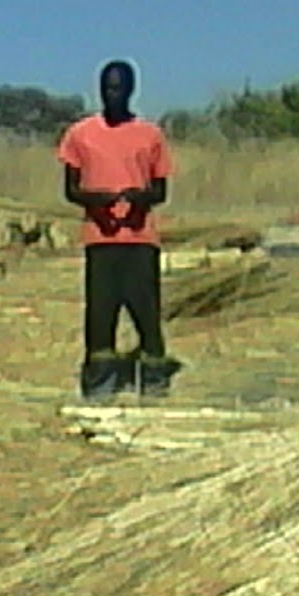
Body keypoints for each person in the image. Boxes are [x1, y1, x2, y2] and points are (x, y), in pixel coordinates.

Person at [56, 59, 182, 399]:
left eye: (118, 88)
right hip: (100, 238)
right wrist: (97, 201)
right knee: (101, 310)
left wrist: (139, 199)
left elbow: (160, 191)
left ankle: (154, 377)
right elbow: (70, 189)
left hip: (140, 238)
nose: (112, 94)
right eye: (107, 88)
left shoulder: (150, 135)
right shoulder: (80, 135)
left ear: (130, 90)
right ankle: (100, 382)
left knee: (145, 308)